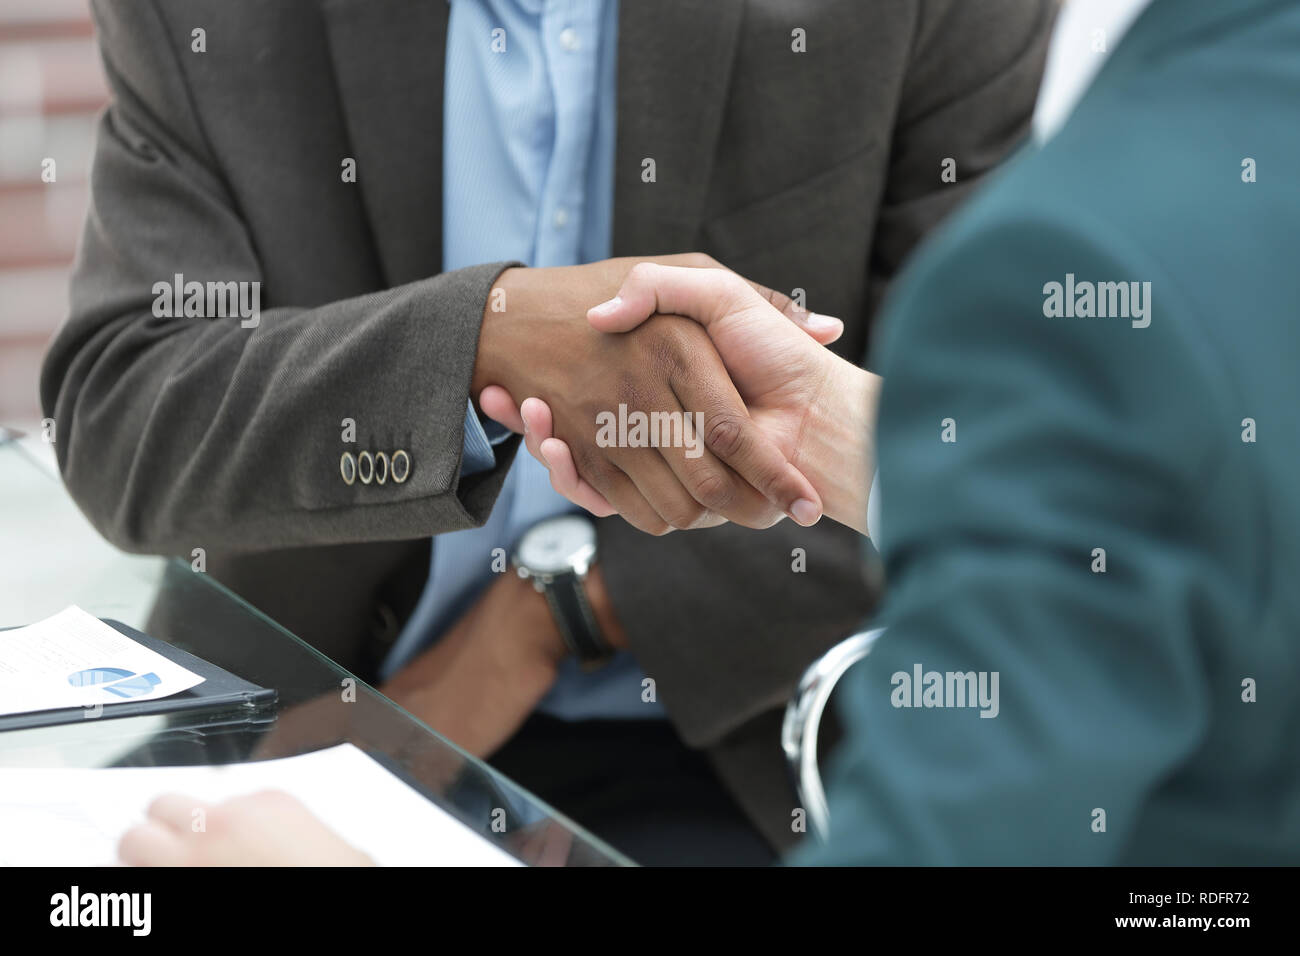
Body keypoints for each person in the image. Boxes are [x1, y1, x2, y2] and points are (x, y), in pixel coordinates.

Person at [122, 0, 1300, 865]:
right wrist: (474, 337)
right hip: (304, 713)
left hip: (744, 735)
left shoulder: (1106, 243)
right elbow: (123, 401)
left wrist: (553, 610)